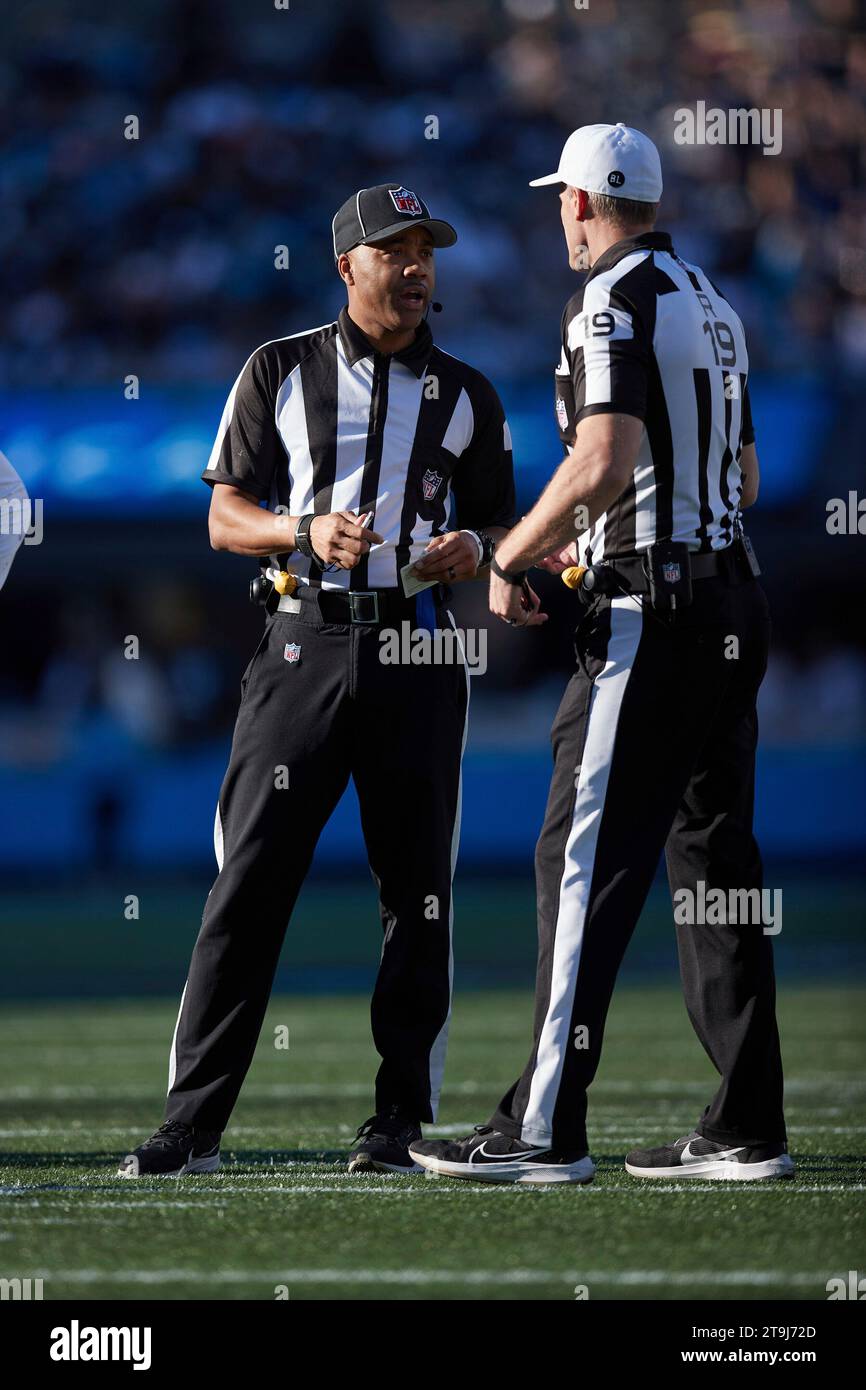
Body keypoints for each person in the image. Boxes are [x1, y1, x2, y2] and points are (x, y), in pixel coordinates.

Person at [410, 125, 793, 1184]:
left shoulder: (608, 300)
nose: (559, 218)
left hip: (651, 616)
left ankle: (540, 1127)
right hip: (728, 598)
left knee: (576, 861)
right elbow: (745, 474)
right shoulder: (710, 301)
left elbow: (604, 451)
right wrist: (594, 537)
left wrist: (510, 556)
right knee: (716, 868)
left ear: (581, 201)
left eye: (561, 202)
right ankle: (745, 1124)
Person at [118, 183, 516, 1179]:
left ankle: (396, 1121)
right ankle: (192, 1124)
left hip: (418, 649)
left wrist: (477, 544)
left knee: (418, 894)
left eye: (428, 250)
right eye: (398, 251)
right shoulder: (278, 370)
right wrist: (304, 531)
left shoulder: (468, 392)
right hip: (299, 643)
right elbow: (221, 518)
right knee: (247, 884)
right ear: (347, 266)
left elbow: (507, 525)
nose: (419, 267)